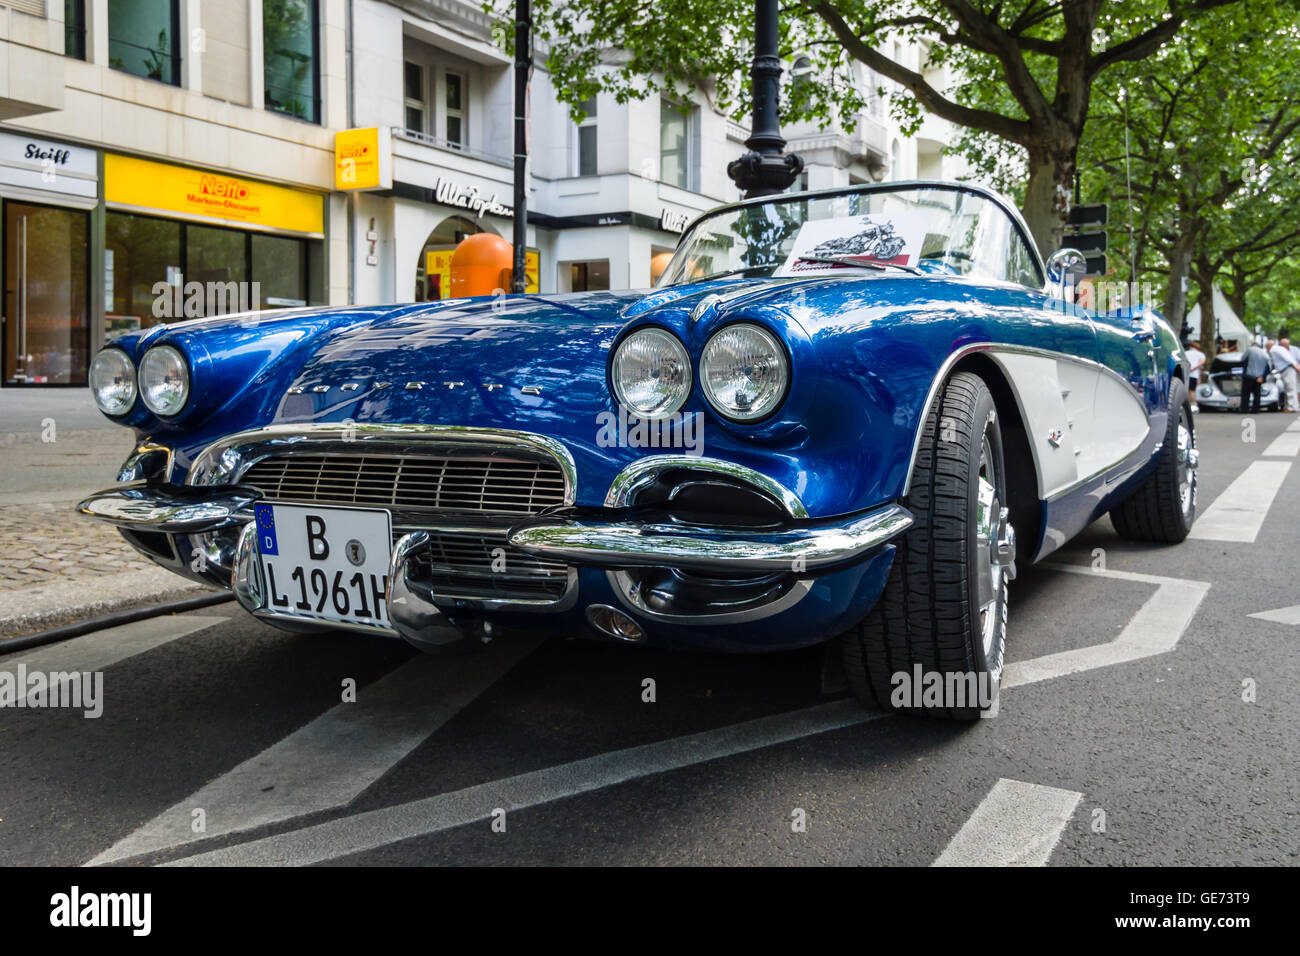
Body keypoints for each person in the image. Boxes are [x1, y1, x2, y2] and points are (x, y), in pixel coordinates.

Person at [1270, 336, 1300, 412]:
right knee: (1288, 388)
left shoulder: (1277, 349)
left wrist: (1296, 366)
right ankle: (1289, 406)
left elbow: (1288, 358)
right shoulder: (1280, 349)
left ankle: (1292, 407)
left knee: (1291, 388)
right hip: (1286, 370)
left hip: (1289, 369)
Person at [1242, 339, 1272, 414]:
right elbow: (1268, 367)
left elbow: (1242, 359)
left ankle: (1244, 409)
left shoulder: (1249, 350)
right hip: (1259, 377)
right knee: (1257, 394)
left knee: (1246, 394)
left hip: (1249, 376)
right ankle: (1255, 409)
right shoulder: (1264, 353)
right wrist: (1262, 376)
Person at [1185, 340, 1206, 412]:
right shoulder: (1200, 354)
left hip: (1185, 374)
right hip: (1194, 375)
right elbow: (1202, 362)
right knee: (1192, 391)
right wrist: (1194, 367)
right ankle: (1193, 405)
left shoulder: (1185, 353)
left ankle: (1186, 405)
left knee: (1186, 390)